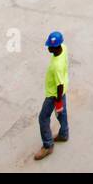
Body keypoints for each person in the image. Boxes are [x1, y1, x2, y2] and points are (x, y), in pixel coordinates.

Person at [35, 30, 69, 160]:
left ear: (55, 48)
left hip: (53, 94)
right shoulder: (64, 48)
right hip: (63, 89)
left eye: (50, 46)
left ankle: (48, 145)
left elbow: (59, 85)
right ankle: (64, 134)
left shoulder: (56, 66)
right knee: (61, 113)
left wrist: (58, 101)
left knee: (43, 118)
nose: (48, 48)